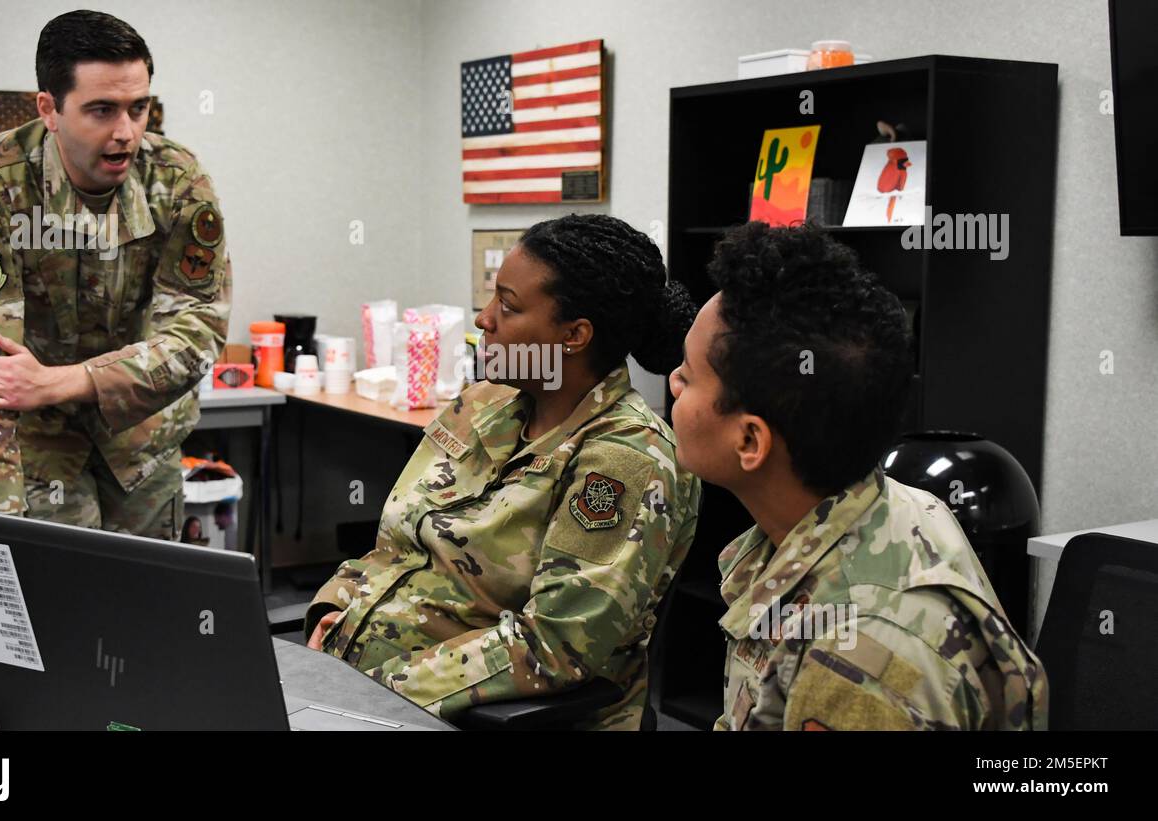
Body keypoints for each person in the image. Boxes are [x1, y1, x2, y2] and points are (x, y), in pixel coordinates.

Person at [306, 214, 702, 729]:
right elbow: (397, 546)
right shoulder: (481, 404)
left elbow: (557, 647)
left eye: (508, 306)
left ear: (574, 335)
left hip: (471, 712)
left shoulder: (627, 459)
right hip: (357, 678)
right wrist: (329, 611)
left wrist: (376, 690)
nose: (483, 320)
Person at [669, 222, 1046, 730]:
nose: (672, 382)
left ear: (750, 441)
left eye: (688, 375)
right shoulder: (900, 503)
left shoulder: (860, 661)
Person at [0, 11, 230, 539]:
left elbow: (197, 336)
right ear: (49, 108)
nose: (126, 133)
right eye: (101, 110)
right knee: (59, 602)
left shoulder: (178, 181)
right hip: (39, 447)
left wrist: (64, 381)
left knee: (150, 600)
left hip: (142, 437)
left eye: (139, 108)